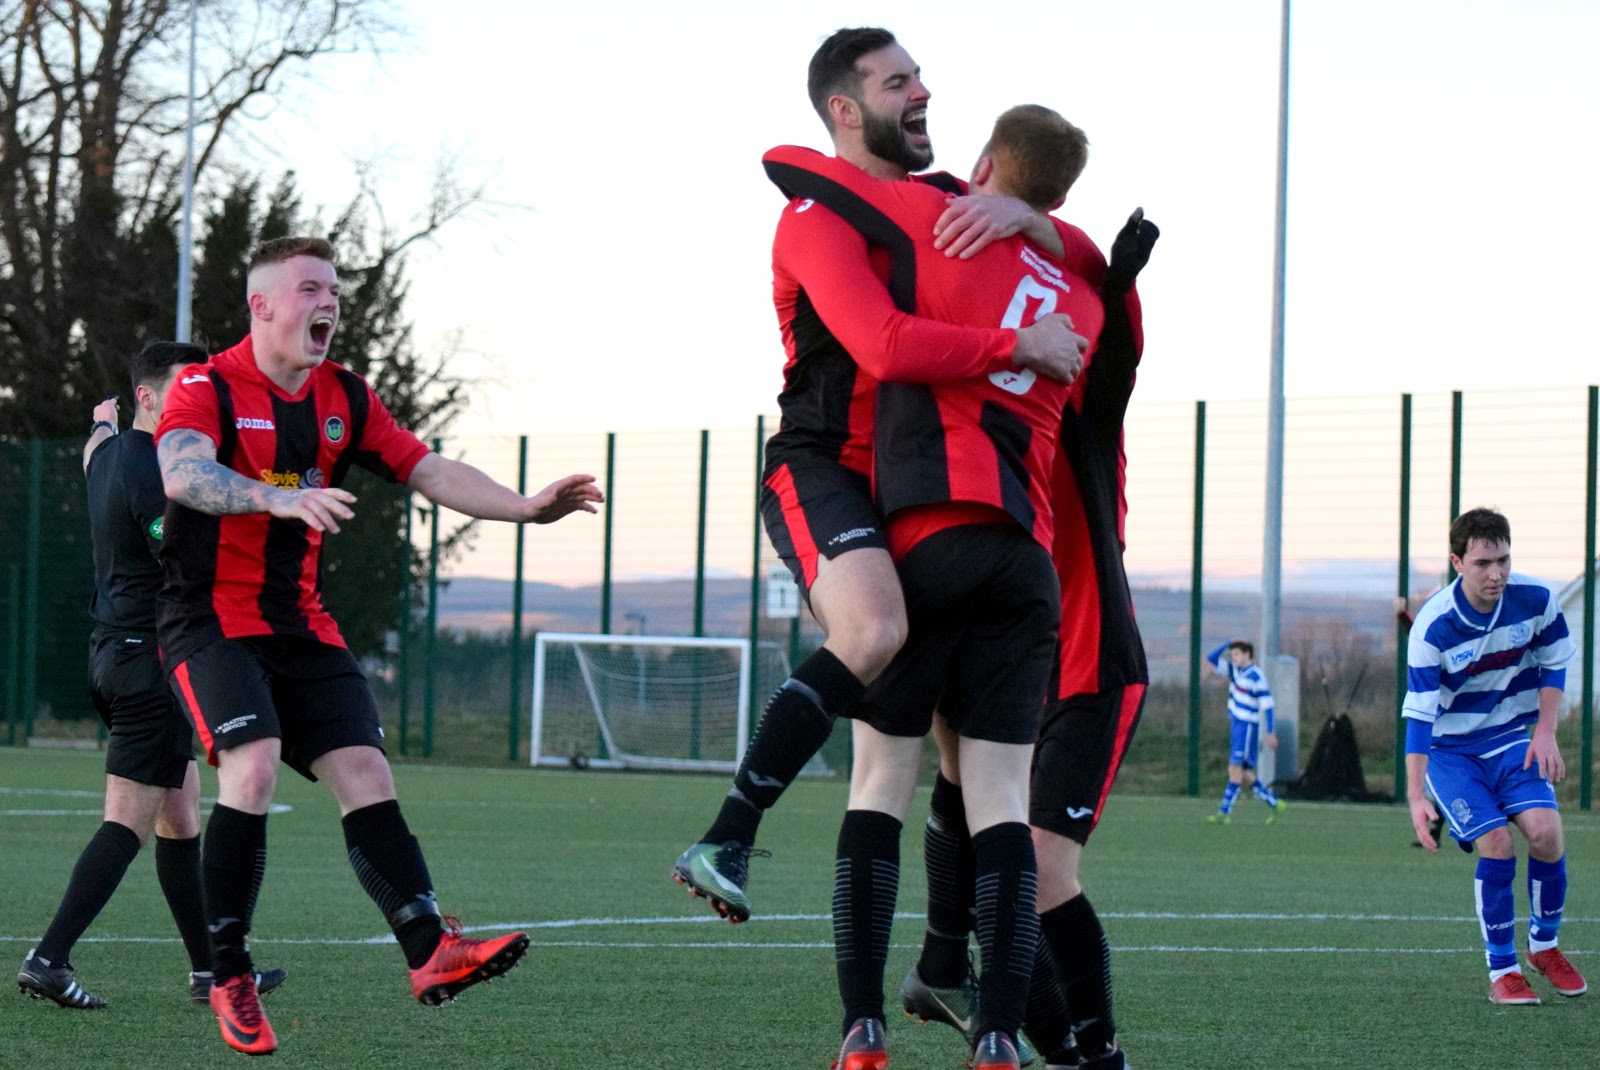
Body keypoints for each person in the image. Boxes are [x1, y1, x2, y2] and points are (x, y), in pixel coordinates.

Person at [672, 25, 1089, 924]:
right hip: (825, 467)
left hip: (921, 493)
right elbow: (885, 347)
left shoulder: (945, 203)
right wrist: (1016, 343)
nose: (922, 92)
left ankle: (942, 962)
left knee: (959, 745)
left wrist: (1031, 219)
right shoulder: (813, 216)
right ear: (846, 109)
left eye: (921, 76)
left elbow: (1084, 261)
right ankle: (727, 834)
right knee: (874, 630)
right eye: (898, 82)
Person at [154, 236, 604, 1055]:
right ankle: (229, 972)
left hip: (300, 623)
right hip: (209, 620)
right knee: (252, 766)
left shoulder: (345, 395)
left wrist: (524, 507)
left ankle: (430, 950)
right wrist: (271, 498)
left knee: (365, 770)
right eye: (309, 288)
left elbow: (429, 470)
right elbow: (182, 474)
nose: (328, 302)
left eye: (333, 290)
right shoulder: (205, 385)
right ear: (261, 305)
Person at [763, 105, 1117, 1070]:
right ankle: (997, 1034)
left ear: (986, 164)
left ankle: (861, 1026)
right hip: (1025, 567)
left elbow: (797, 171)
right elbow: (1097, 273)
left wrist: (975, 206)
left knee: (881, 782)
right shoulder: (1083, 304)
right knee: (998, 804)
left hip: (926, 544)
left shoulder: (942, 235)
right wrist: (1041, 223)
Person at [901, 202, 1157, 1070]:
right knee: (999, 879)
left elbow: (1114, 361)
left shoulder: (1083, 418)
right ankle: (1048, 1043)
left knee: (1042, 872)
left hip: (1090, 663)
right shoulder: (986, 416)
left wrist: (1115, 287)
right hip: (1014, 662)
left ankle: (1103, 1054)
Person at [17, 343, 284, 1010]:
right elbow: (183, 546)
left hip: (114, 655)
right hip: (151, 665)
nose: (200, 401)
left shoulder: (108, 454)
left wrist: (101, 422)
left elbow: (94, 448)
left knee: (180, 814)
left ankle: (211, 972)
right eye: (186, 388)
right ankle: (49, 958)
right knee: (125, 825)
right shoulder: (156, 471)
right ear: (148, 397)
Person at [1404, 508, 1585, 1005]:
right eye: (1483, 563)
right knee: (1498, 844)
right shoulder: (1433, 627)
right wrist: (1416, 796)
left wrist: (1545, 732)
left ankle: (1543, 946)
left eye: (1503, 560)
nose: (1496, 573)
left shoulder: (1536, 599)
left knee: (1546, 833)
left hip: (1509, 737)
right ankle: (1503, 970)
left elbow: (1554, 663)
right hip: (1450, 751)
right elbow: (1419, 718)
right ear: (1457, 563)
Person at [1204, 640, 1283, 823]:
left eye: (1237, 654)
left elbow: (1268, 705)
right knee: (1244, 774)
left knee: (1234, 768)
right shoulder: (1234, 670)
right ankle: (1274, 803)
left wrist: (1270, 731)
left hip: (1247, 727)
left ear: (1247, 654)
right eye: (1232, 655)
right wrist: (1227, 644)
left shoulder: (1256, 676)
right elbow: (1211, 658)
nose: (1234, 658)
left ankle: (1224, 813)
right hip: (1237, 725)